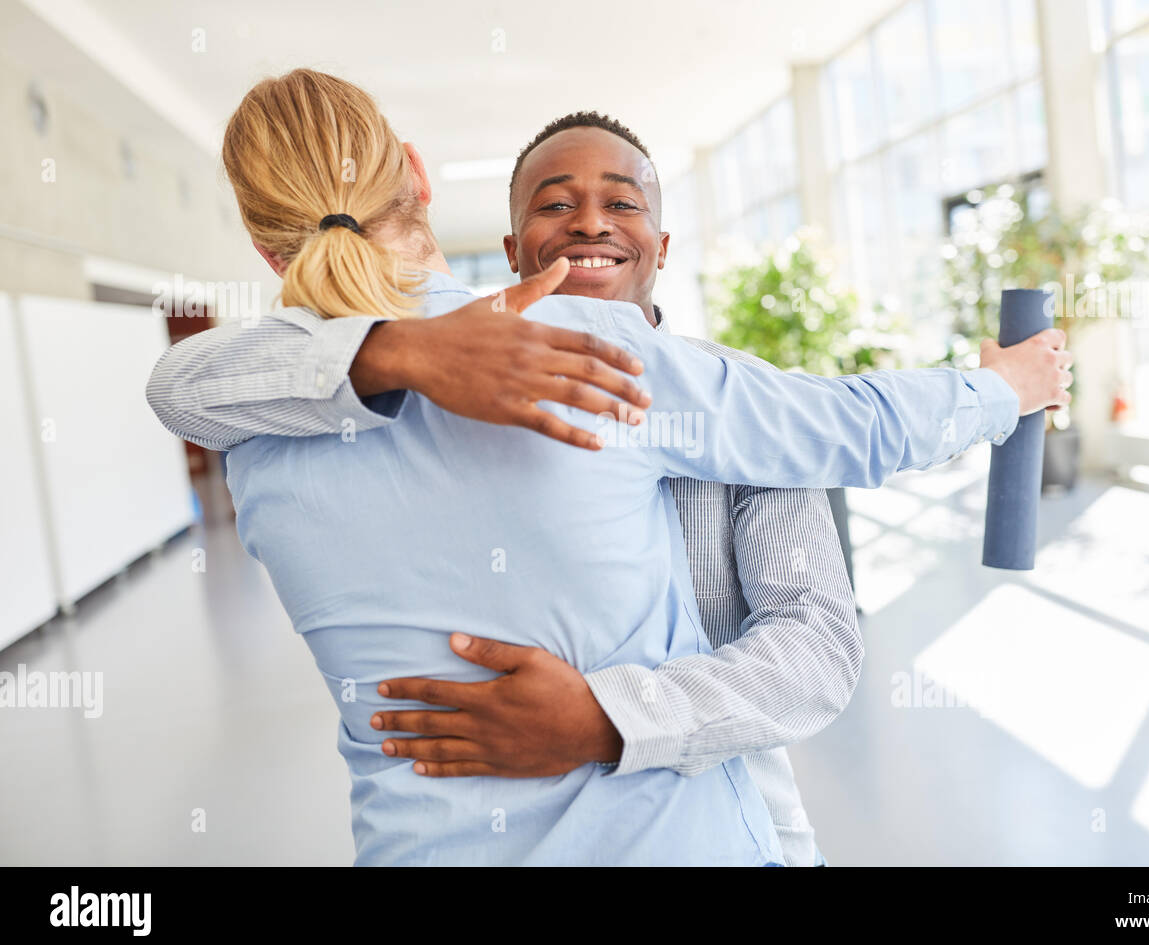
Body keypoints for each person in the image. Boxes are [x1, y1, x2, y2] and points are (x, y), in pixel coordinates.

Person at [147, 69, 1071, 864]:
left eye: (623, 202)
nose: (591, 223)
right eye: (555, 203)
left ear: (262, 244)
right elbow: (850, 425)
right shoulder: (597, 350)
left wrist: (611, 714)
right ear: (421, 178)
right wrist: (1000, 391)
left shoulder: (252, 429)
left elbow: (813, 649)